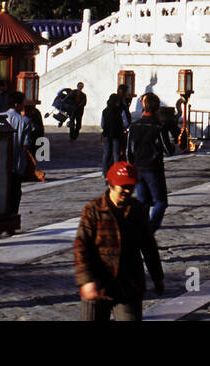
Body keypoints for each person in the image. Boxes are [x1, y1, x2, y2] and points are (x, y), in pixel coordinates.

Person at [74, 161, 164, 321]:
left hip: (128, 286)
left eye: (131, 186)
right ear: (111, 185)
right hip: (98, 283)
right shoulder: (93, 210)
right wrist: (86, 280)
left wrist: (157, 277)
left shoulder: (137, 210)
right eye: (123, 186)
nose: (127, 191)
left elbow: (148, 245)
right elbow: (81, 247)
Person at [128, 93, 174, 233]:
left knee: (143, 203)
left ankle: (141, 232)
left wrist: (133, 166)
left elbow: (128, 150)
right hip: (153, 168)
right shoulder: (159, 127)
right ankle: (149, 231)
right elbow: (168, 150)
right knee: (160, 202)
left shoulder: (134, 126)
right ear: (157, 109)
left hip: (138, 167)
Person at [5, 92, 38, 187]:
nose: (24, 105)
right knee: (15, 191)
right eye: (23, 103)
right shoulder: (25, 121)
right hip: (17, 163)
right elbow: (26, 143)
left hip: (1, 161)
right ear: (16, 104)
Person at [101, 92, 127, 175]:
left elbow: (102, 124)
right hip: (117, 134)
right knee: (116, 154)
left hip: (107, 134)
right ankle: (116, 172)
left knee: (106, 154)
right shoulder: (120, 111)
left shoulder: (105, 111)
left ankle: (105, 172)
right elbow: (125, 123)